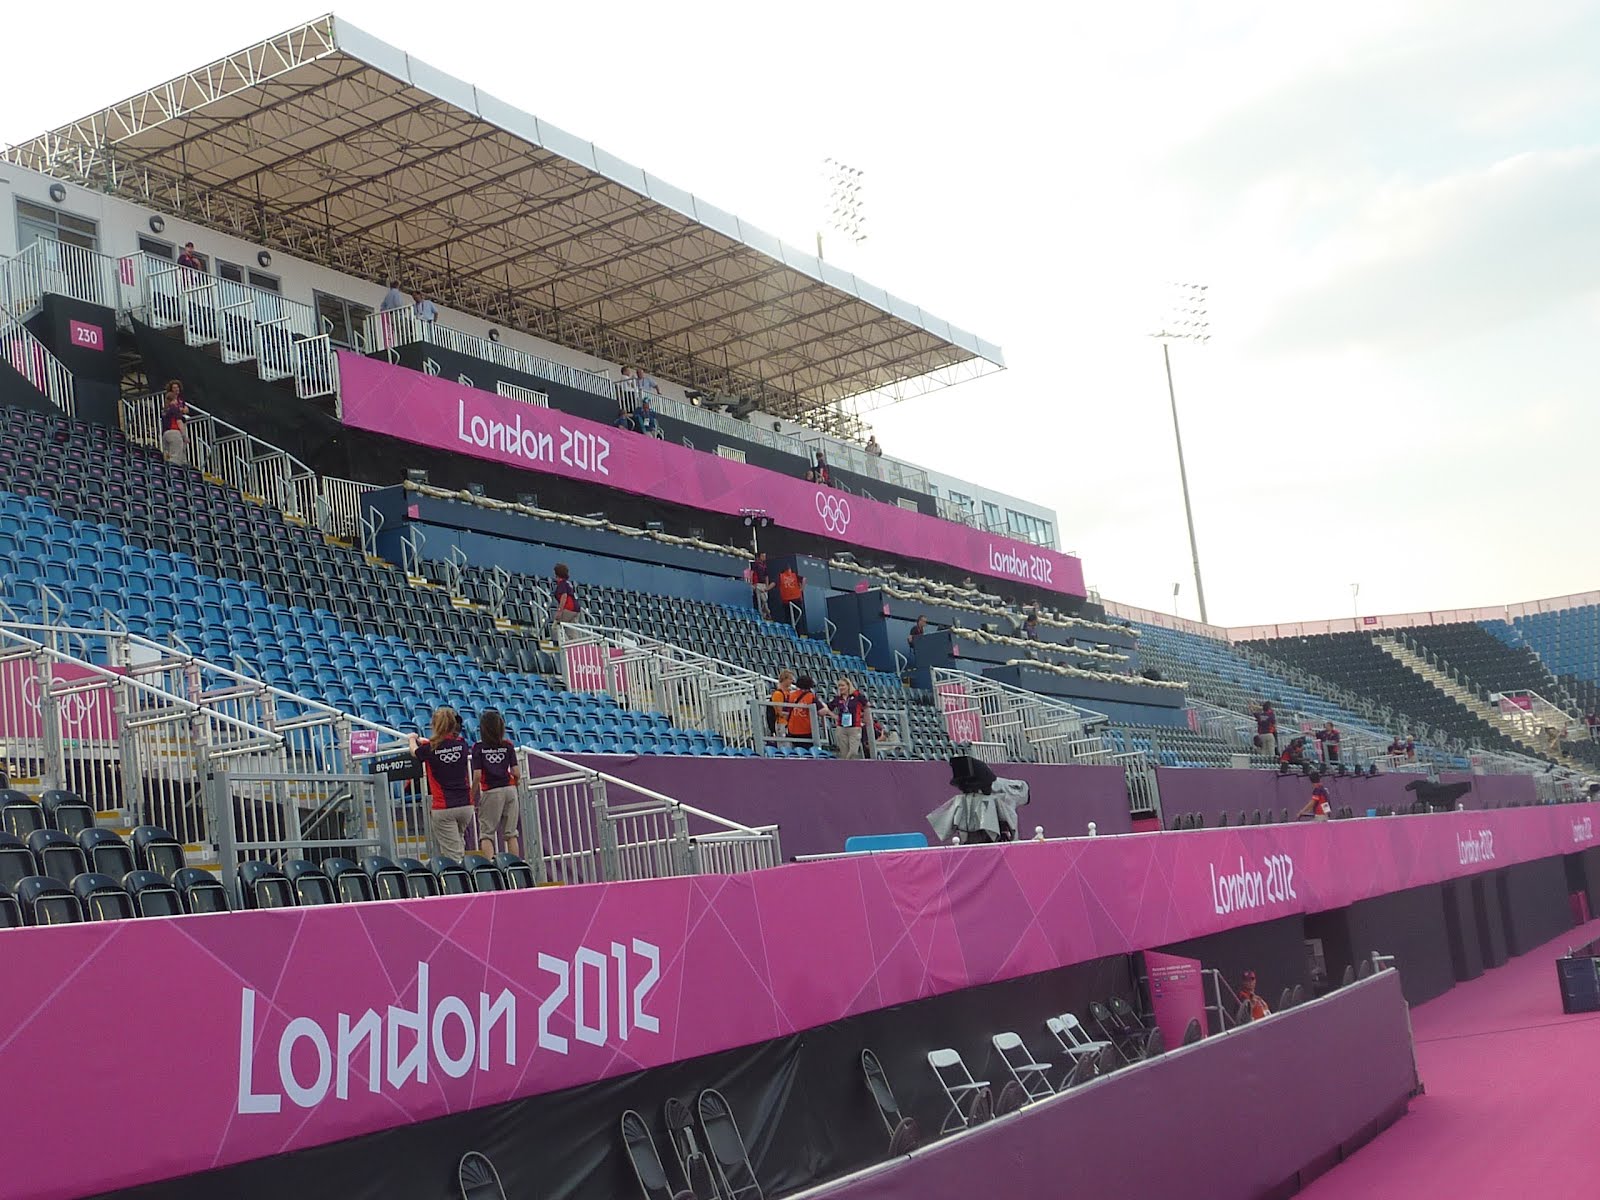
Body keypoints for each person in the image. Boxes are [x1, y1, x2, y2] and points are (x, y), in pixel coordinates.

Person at [410, 707, 473, 861]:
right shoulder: (462, 744)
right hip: (465, 804)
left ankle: (459, 882)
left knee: (453, 853)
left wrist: (412, 739)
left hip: (444, 806)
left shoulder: (430, 747)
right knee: (458, 844)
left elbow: (415, 752)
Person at [472, 708, 520, 858]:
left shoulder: (478, 747)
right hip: (509, 789)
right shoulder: (508, 745)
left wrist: (471, 795)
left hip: (491, 790)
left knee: (486, 834)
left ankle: (491, 869)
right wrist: (515, 784)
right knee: (511, 833)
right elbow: (516, 772)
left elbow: (478, 775)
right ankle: (516, 867)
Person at [827, 676, 868, 759]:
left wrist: (865, 718)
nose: (841, 688)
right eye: (839, 686)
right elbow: (827, 708)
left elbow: (867, 705)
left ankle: (847, 765)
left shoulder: (857, 695)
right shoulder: (838, 698)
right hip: (841, 727)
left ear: (848, 685)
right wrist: (834, 716)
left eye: (843, 685)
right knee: (844, 752)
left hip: (854, 727)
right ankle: (846, 769)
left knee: (853, 751)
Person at [160, 380, 189, 466]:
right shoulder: (174, 408)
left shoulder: (166, 409)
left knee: (170, 454)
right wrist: (184, 436)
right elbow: (179, 421)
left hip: (166, 433)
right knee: (176, 457)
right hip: (175, 432)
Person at [787, 675, 819, 743]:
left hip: (792, 729)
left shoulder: (791, 695)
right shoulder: (811, 696)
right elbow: (822, 711)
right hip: (806, 730)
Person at [768, 669, 797, 739]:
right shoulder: (778, 694)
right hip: (781, 724)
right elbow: (780, 712)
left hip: (788, 724)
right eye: (790, 679)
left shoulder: (788, 693)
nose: (792, 681)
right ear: (784, 679)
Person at [749, 551, 772, 619]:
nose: (764, 557)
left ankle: (765, 614)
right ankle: (766, 613)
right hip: (757, 584)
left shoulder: (764, 566)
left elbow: (766, 576)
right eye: (763, 556)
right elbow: (752, 573)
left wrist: (767, 586)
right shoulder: (756, 564)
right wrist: (752, 583)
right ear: (760, 556)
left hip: (764, 585)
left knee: (765, 600)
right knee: (762, 600)